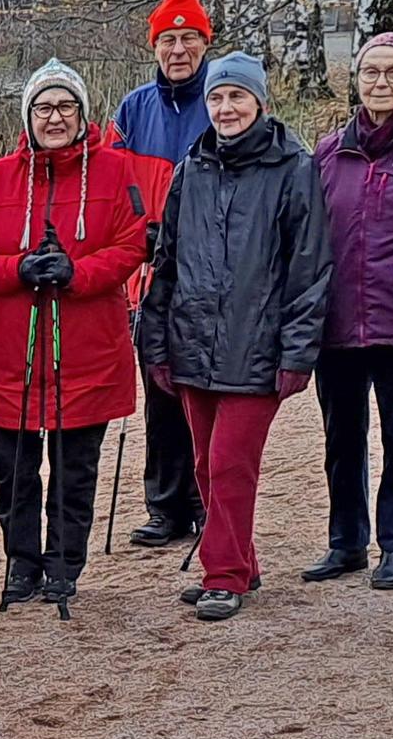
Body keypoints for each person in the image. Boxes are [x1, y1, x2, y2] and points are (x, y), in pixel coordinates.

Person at [136, 54, 332, 621]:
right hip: (192, 343)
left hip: (258, 346)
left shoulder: (293, 168)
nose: (225, 108)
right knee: (202, 465)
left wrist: (298, 351)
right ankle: (241, 561)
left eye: (237, 98)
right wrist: (156, 344)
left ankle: (222, 575)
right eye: (217, 99)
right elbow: (165, 264)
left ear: (259, 104)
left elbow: (310, 267)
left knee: (229, 464)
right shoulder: (190, 170)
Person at [0, 61, 149, 609]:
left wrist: (78, 272)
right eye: (44, 108)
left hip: (87, 346)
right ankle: (21, 564)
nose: (55, 118)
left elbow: (133, 244)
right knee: (13, 471)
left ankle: (65, 565)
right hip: (12, 352)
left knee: (74, 470)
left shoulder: (115, 171)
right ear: (29, 115)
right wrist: (19, 268)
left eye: (66, 107)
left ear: (82, 113)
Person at [306, 32, 393, 591]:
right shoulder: (329, 150)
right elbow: (310, 231)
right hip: (337, 320)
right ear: (355, 80)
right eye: (370, 72)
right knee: (341, 439)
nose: (380, 83)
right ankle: (346, 542)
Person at [113, 0, 214, 548]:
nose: (178, 50)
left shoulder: (223, 95)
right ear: (153, 48)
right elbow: (114, 182)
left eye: (188, 39)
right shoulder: (134, 107)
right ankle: (166, 505)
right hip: (149, 271)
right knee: (159, 385)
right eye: (168, 41)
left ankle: (206, 502)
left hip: (207, 268)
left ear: (204, 42)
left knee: (204, 385)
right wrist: (137, 232)